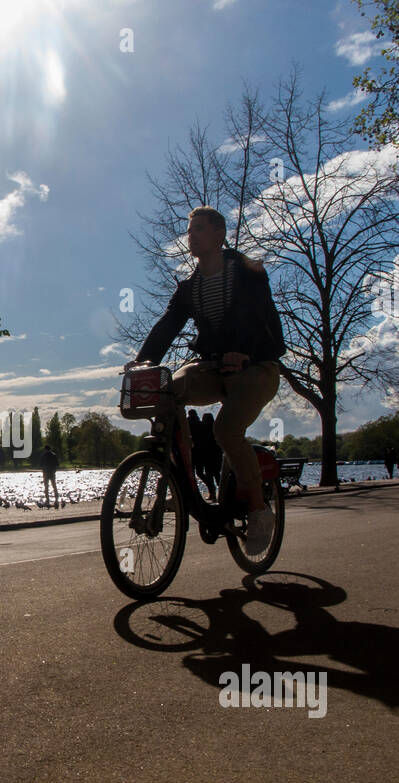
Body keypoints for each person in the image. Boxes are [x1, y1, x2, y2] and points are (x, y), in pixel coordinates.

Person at [129, 206, 286, 552]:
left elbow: (263, 318)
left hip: (258, 368)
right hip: (214, 369)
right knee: (167, 390)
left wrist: (244, 351)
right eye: (189, 230)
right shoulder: (190, 287)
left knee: (226, 431)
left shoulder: (248, 273)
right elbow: (168, 324)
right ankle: (179, 475)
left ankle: (259, 511)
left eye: (199, 229)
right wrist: (143, 361)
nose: (191, 236)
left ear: (219, 235)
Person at [40, 443, 60, 507]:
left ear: (45, 449)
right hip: (52, 472)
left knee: (46, 487)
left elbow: (41, 465)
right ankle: (56, 500)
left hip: (46, 473)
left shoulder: (43, 455)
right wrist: (54, 471)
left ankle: (47, 500)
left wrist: (43, 471)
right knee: (54, 486)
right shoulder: (54, 455)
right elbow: (57, 464)